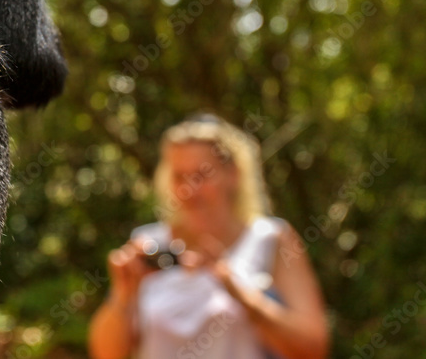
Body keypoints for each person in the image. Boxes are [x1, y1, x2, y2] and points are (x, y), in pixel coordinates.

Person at [88, 114, 328, 359]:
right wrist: (123, 295)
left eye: (201, 176)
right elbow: (106, 354)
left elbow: (312, 349)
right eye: (179, 176)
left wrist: (238, 293)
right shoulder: (147, 243)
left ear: (233, 174)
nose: (189, 190)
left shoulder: (271, 239)